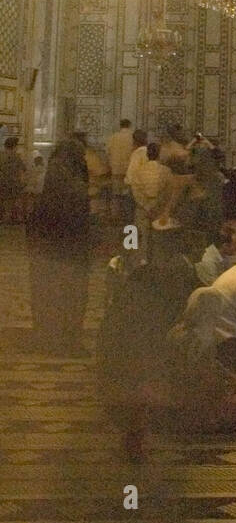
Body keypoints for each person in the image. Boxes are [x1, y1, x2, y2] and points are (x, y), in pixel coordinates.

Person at [165, 287, 236, 433]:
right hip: (198, 408)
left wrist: (233, 381)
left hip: (175, 402)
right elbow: (204, 380)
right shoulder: (200, 339)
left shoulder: (176, 331)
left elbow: (211, 367)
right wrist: (231, 394)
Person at [26, 140, 92, 353]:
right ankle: (68, 340)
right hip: (71, 253)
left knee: (47, 297)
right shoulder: (76, 188)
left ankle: (47, 338)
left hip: (47, 252)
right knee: (71, 298)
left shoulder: (51, 181)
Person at [129, 142, 170, 264]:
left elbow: (135, 191)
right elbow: (167, 192)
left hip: (142, 209)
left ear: (147, 154)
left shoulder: (138, 172)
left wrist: (146, 206)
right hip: (159, 209)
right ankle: (157, 264)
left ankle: (141, 263)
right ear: (159, 155)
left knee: (141, 238)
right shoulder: (166, 171)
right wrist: (156, 206)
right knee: (159, 239)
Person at [106, 119, 135, 215]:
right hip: (129, 169)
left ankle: (115, 213)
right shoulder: (132, 137)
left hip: (115, 169)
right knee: (128, 193)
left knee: (116, 193)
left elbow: (108, 151)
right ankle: (127, 214)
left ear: (120, 126)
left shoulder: (113, 137)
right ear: (129, 126)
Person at [0, 135, 26, 223]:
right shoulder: (17, 158)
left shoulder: (2, 157)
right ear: (14, 146)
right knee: (17, 203)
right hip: (15, 184)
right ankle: (18, 219)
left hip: (4, 183)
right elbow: (22, 171)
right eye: (16, 146)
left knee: (7, 204)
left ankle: (6, 219)